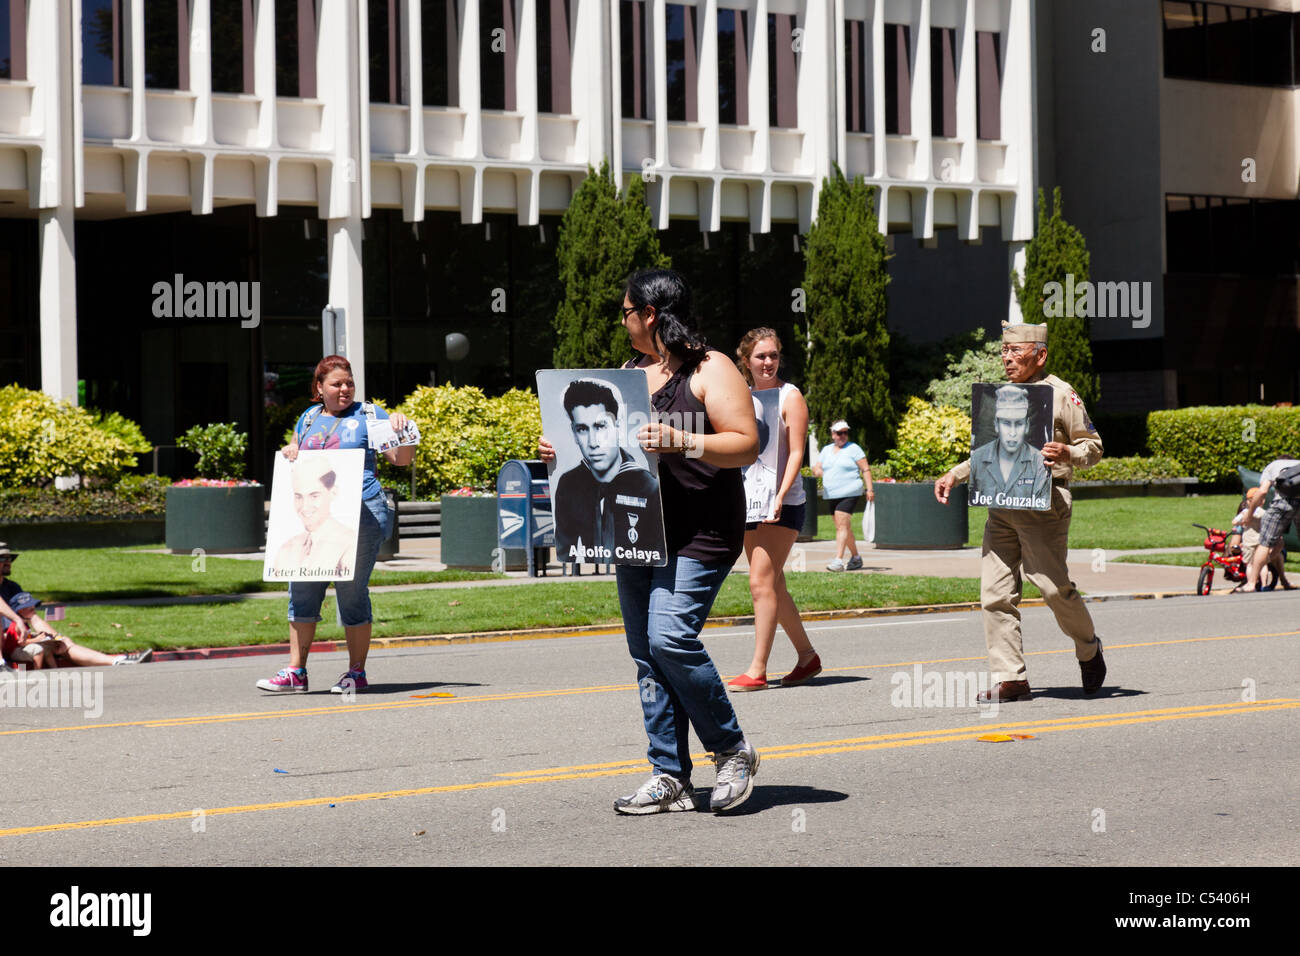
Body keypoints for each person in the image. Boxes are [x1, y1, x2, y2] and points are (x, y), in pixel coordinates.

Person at [539, 269, 761, 815]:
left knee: (669, 638)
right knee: (646, 654)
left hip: (703, 531)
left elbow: (747, 444)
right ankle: (670, 775)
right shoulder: (630, 374)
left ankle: (732, 750)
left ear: (652, 315)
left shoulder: (711, 368)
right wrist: (559, 451)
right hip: (640, 529)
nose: (623, 321)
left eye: (626, 311)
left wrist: (683, 440)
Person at [933, 322, 1106, 702]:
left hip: (1046, 505)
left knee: (1053, 589)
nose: (1008, 359)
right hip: (1001, 505)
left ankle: (1089, 649)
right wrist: (957, 474)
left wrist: (1069, 453)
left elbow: (1093, 447)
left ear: (1040, 355)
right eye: (1004, 353)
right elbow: (989, 449)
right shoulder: (1000, 396)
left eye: (1016, 352)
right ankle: (1011, 677)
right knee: (995, 594)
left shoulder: (1061, 395)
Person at [257, 355, 416, 695]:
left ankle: (356, 672)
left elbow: (401, 460)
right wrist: (289, 451)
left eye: (349, 383)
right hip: (310, 521)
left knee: (352, 592)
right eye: (336, 384)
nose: (344, 389)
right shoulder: (309, 417)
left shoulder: (371, 416)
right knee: (300, 590)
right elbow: (298, 453)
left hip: (362, 516)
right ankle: (296, 672)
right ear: (319, 388)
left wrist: (404, 433)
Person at [727, 328, 821, 692]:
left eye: (774, 356)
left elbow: (797, 452)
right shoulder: (743, 397)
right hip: (749, 501)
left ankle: (757, 669)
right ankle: (807, 656)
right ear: (746, 361)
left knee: (760, 582)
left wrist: (781, 494)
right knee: (774, 584)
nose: (768, 363)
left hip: (783, 504)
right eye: (760, 356)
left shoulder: (790, 396)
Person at [552, 377, 664, 564]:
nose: (593, 442)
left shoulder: (647, 486)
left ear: (617, 425)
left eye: (600, 426)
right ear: (573, 433)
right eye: (582, 429)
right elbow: (565, 553)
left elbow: (659, 555)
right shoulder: (569, 484)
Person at [0, 545, 152, 668]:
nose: (7, 562)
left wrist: (56, 637)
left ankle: (117, 661)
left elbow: (30, 615)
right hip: (8, 641)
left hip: (20, 639)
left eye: (9, 558)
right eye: (2, 558)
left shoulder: (12, 587)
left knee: (65, 644)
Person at [271, 455, 358, 576]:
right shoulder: (288, 548)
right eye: (298, 496)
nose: (305, 506)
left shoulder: (349, 543)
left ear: (333, 493)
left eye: (314, 496)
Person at [968, 384, 1052, 507]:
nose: (1012, 433)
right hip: (989, 402)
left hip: (1031, 406)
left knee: (1030, 471)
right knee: (984, 465)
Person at [812, 420, 874, 571]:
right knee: (843, 527)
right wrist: (817, 471)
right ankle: (856, 558)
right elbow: (818, 467)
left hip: (850, 491)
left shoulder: (854, 449)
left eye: (845, 432)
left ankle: (838, 561)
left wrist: (869, 489)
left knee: (841, 526)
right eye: (840, 433)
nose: (843, 436)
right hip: (831, 493)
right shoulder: (826, 450)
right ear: (833, 434)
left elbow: (865, 469)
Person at [1244, 457, 1300, 592]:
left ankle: (1251, 583)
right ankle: (1283, 580)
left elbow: (1262, 491)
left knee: (1265, 543)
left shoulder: (1273, 466)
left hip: (1283, 503)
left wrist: (1250, 513)